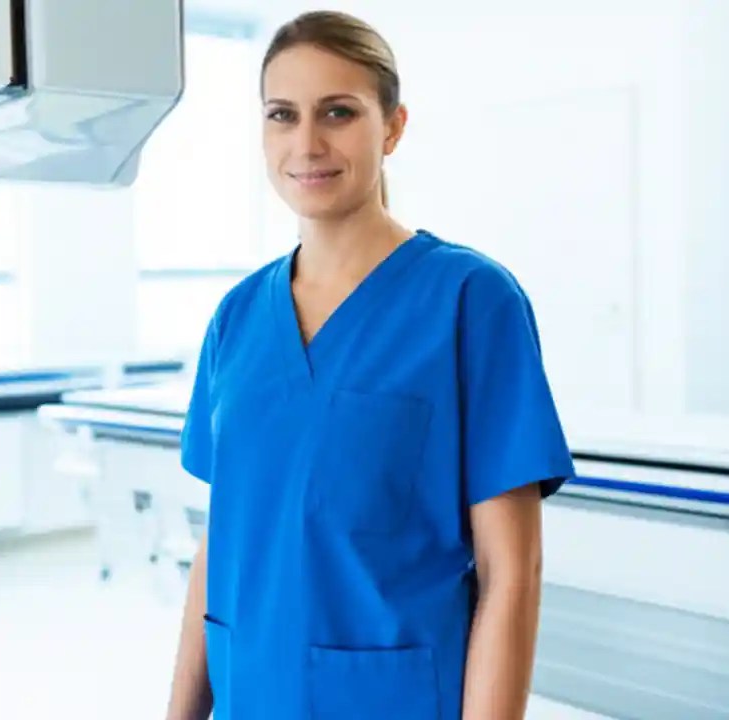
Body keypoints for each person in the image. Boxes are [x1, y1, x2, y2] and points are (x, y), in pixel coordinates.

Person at [165, 10, 575, 720]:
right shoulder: (236, 318)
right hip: (251, 696)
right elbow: (221, 540)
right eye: (282, 115)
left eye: (338, 112)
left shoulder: (470, 302)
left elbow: (513, 573)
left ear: (392, 127)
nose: (307, 143)